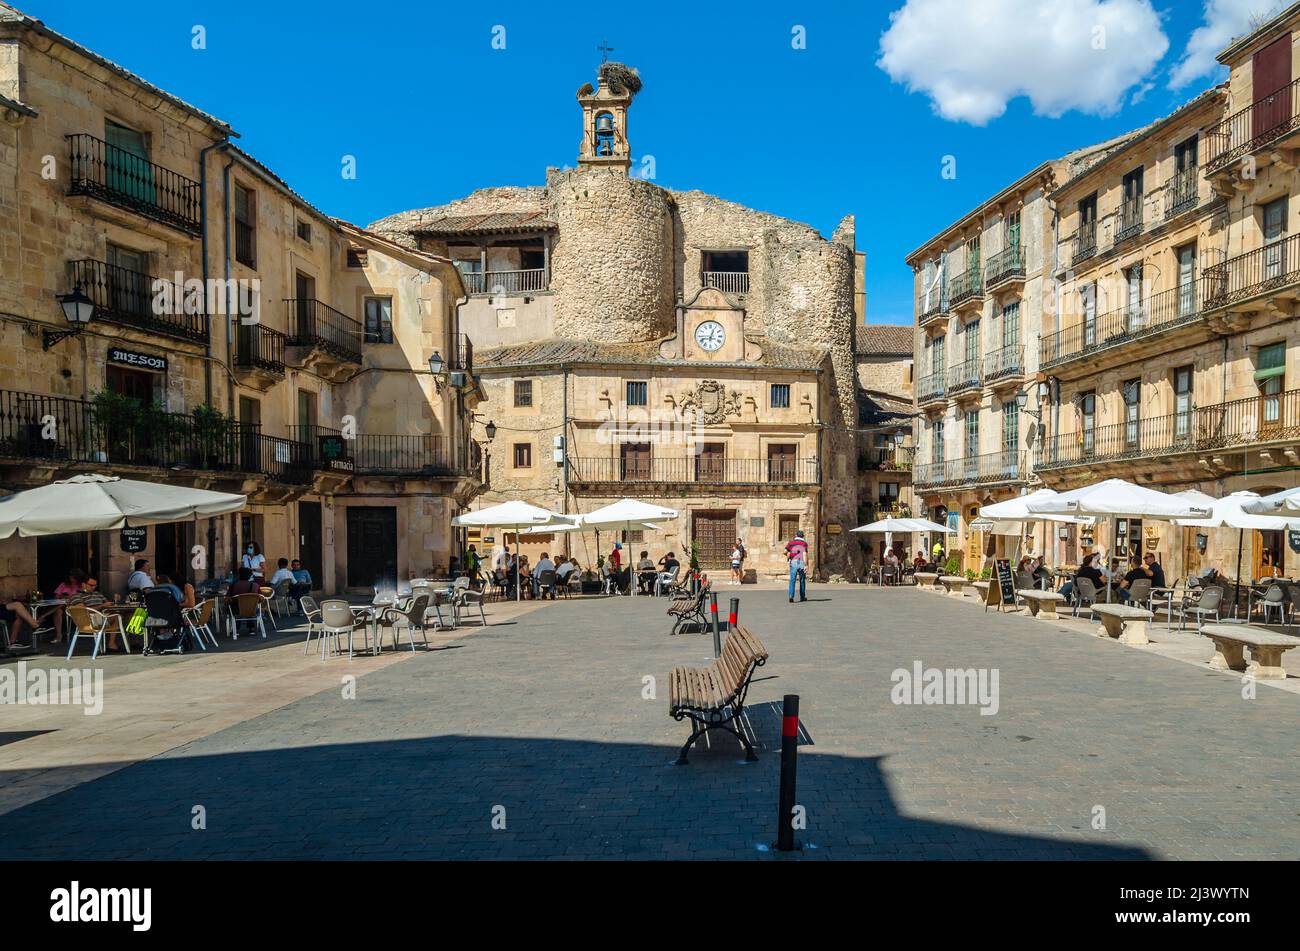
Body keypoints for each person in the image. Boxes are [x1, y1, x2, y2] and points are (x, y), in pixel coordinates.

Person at [785, 529, 809, 603]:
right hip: (801, 561)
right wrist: (806, 565)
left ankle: (791, 596)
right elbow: (805, 554)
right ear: (803, 536)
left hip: (793, 562)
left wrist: (788, 555)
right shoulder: (804, 543)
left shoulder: (791, 543)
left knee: (792, 580)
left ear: (796, 535)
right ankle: (802, 596)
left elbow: (785, 551)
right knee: (802, 580)